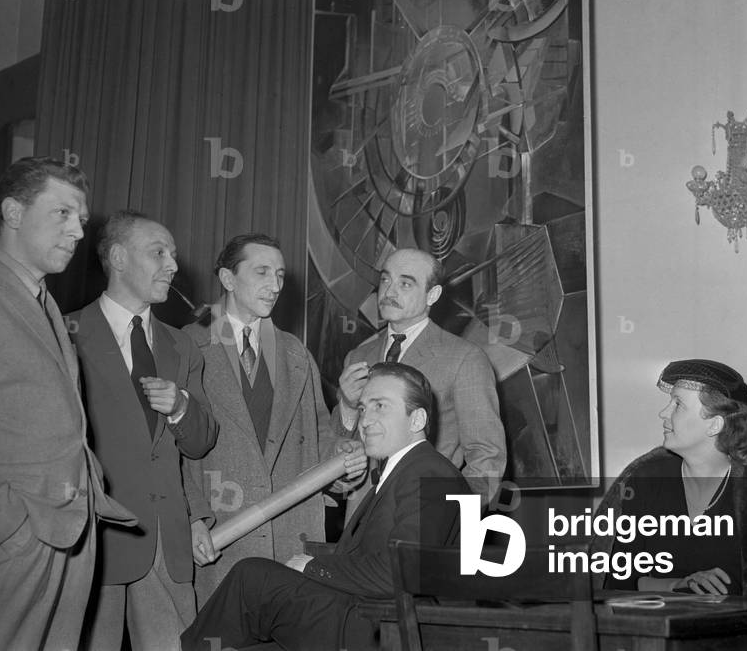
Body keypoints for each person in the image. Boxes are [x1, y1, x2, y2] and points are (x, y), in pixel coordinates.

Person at [0, 158, 136, 651]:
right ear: (13, 213)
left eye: (80, 218)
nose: (78, 230)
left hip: (62, 538)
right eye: (62, 213)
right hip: (2, 549)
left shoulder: (40, 300)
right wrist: (8, 526)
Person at [181, 362, 470, 651]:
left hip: (384, 628)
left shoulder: (432, 474)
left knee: (253, 577)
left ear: (417, 419)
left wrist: (312, 566)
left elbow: (402, 572)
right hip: (363, 615)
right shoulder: (405, 471)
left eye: (380, 406)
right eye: (362, 408)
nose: (366, 420)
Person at [182, 233, 366, 605]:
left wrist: (343, 453)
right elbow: (170, 453)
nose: (275, 285)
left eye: (280, 275)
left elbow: (316, 437)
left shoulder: (295, 352)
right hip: (221, 534)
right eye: (262, 272)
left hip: (291, 538)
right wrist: (190, 517)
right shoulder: (185, 345)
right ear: (228, 279)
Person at [71, 211, 219, 649]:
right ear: (117, 257)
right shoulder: (64, 331)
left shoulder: (182, 344)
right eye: (158, 252)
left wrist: (180, 408)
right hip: (92, 540)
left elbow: (201, 441)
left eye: (172, 254)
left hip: (165, 543)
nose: (172, 265)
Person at [597, 359, 747, 598]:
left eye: (678, 404)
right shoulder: (646, 479)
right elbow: (619, 582)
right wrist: (677, 584)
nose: (663, 413)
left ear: (715, 424)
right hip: (653, 631)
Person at [334, 247, 506, 509]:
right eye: (385, 280)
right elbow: (333, 460)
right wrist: (346, 407)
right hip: (359, 524)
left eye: (405, 283)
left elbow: (487, 458)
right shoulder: (357, 357)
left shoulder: (464, 358)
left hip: (424, 521)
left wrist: (448, 517)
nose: (389, 292)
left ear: (432, 294)